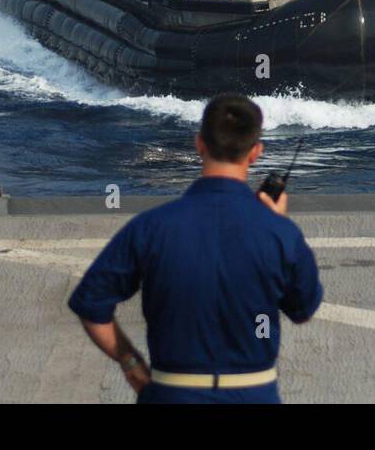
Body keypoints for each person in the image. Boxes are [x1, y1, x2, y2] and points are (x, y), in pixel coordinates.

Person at [69, 93, 323, 404]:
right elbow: (303, 308)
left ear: (199, 144)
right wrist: (274, 226)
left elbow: (91, 305)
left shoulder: (151, 227)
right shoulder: (279, 233)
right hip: (254, 392)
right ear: (256, 152)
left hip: (172, 391)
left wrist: (132, 364)